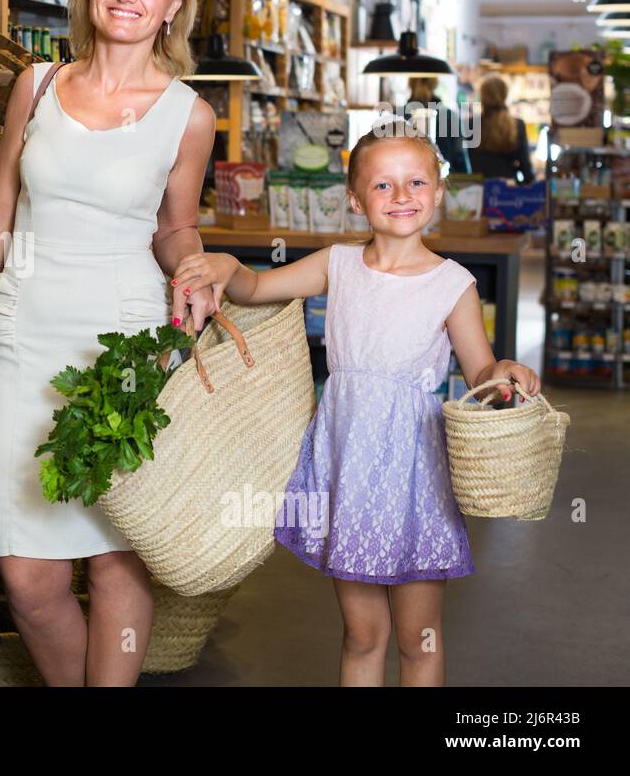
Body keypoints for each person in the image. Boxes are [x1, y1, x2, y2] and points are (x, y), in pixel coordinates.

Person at [0, 0, 217, 686]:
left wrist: (198, 262)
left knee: (115, 561)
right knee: (29, 577)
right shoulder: (36, 85)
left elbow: (174, 229)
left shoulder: (188, 115)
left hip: (125, 350)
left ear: (174, 3)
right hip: (23, 337)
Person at [173, 128, 540, 687]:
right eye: (383, 184)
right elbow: (256, 287)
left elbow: (480, 372)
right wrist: (226, 268)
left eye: (416, 181)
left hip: (416, 478)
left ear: (438, 192)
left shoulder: (452, 284)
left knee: (421, 639)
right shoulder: (336, 265)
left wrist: (504, 373)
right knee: (362, 635)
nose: (401, 194)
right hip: (348, 473)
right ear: (354, 198)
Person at [470, 76, 536, 184]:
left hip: (478, 188)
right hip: (508, 188)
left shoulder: (471, 124)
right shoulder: (517, 125)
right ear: (505, 95)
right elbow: (525, 166)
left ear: (481, 96)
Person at [401, 76, 471, 174]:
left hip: (407, 182)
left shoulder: (398, 115)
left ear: (409, 85)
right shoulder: (450, 116)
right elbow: (460, 157)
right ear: (435, 85)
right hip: (446, 183)